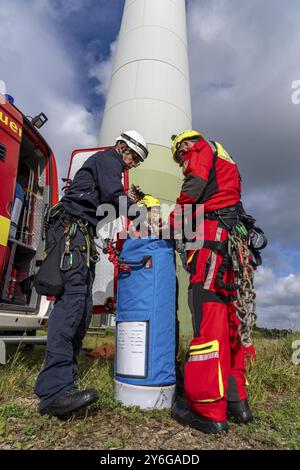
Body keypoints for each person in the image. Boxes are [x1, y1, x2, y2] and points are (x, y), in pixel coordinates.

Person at [34, 130, 148, 417]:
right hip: (72, 234)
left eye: (139, 160)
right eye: (134, 155)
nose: (134, 162)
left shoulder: (110, 165)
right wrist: (145, 212)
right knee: (71, 307)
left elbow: (109, 203)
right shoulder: (108, 159)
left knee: (82, 310)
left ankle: (64, 383)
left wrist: (127, 200)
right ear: (122, 146)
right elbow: (116, 199)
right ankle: (54, 393)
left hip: (81, 237)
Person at [168, 130, 255, 434]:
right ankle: (236, 403)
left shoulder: (200, 151)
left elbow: (193, 188)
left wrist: (172, 224)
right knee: (234, 324)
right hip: (236, 246)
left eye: (180, 156)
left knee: (210, 322)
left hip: (212, 244)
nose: (182, 163)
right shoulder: (226, 158)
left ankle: (207, 410)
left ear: (186, 144)